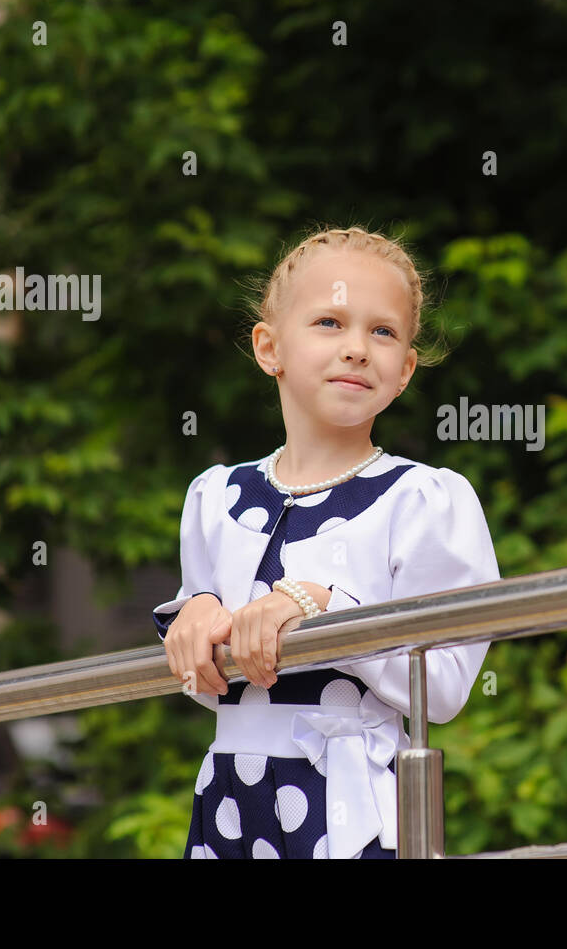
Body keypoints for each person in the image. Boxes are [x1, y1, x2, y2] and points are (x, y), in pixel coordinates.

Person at [152, 225, 500, 859]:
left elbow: (444, 687)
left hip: (352, 807)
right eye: (329, 322)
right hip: (232, 798)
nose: (358, 349)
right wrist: (196, 611)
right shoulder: (216, 499)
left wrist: (325, 607)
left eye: (383, 332)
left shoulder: (419, 500)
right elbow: (209, 687)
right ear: (269, 347)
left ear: (405, 371)